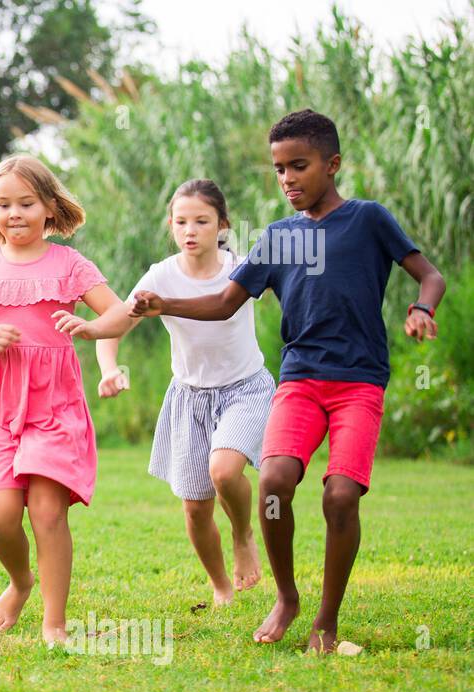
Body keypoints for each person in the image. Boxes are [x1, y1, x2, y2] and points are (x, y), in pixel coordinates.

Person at [131, 110, 446, 652]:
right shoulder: (278, 237)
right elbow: (226, 301)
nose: (288, 179)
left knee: (341, 496)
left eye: (299, 166)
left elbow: (429, 273)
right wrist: (166, 304)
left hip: (358, 383)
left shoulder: (369, 220)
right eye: (278, 169)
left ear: (333, 164)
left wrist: (422, 307)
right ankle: (286, 598)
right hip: (299, 381)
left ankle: (326, 620)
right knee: (274, 483)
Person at [0, 155, 123, 642]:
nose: (15, 213)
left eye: (26, 202)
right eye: (3, 204)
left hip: (54, 405)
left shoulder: (69, 265)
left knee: (47, 511)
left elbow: (119, 314)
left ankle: (54, 622)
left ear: (49, 207)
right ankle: (20, 580)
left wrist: (90, 330)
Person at [94, 179, 273, 606]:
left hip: (244, 389)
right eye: (180, 222)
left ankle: (243, 533)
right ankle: (220, 586)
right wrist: (109, 368)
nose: (189, 230)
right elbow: (114, 323)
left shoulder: (242, 268)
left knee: (225, 471)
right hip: (189, 397)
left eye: (201, 221)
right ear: (171, 225)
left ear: (222, 225)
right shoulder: (161, 275)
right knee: (195, 508)